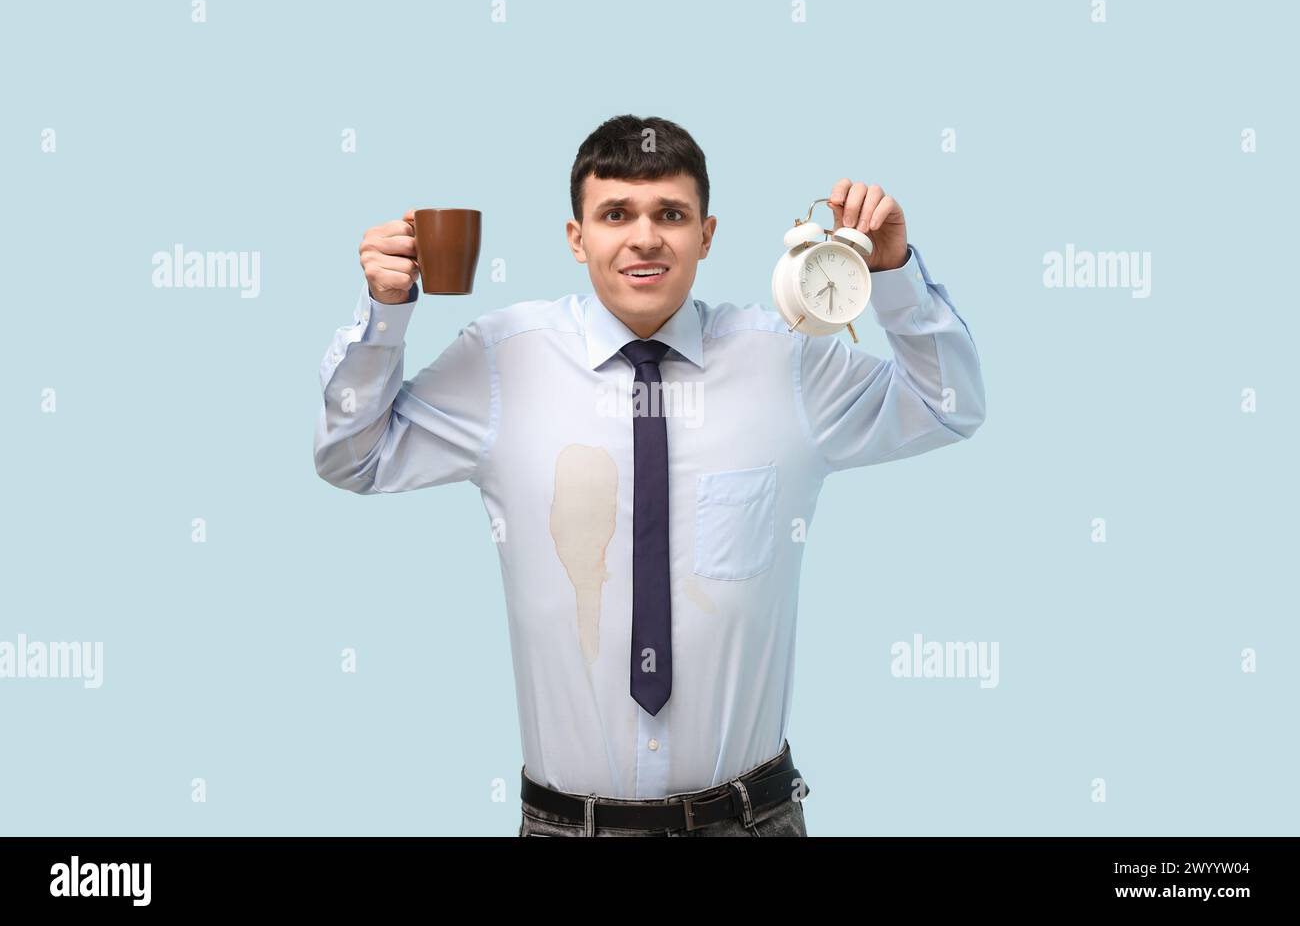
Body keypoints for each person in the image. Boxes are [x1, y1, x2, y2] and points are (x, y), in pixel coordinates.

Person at [314, 115, 986, 836]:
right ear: (577, 238)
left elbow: (947, 407)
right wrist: (383, 317)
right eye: (615, 214)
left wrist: (893, 276)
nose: (644, 238)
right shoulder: (503, 361)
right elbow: (354, 455)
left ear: (707, 234)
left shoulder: (786, 361)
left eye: (671, 213)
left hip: (753, 821)